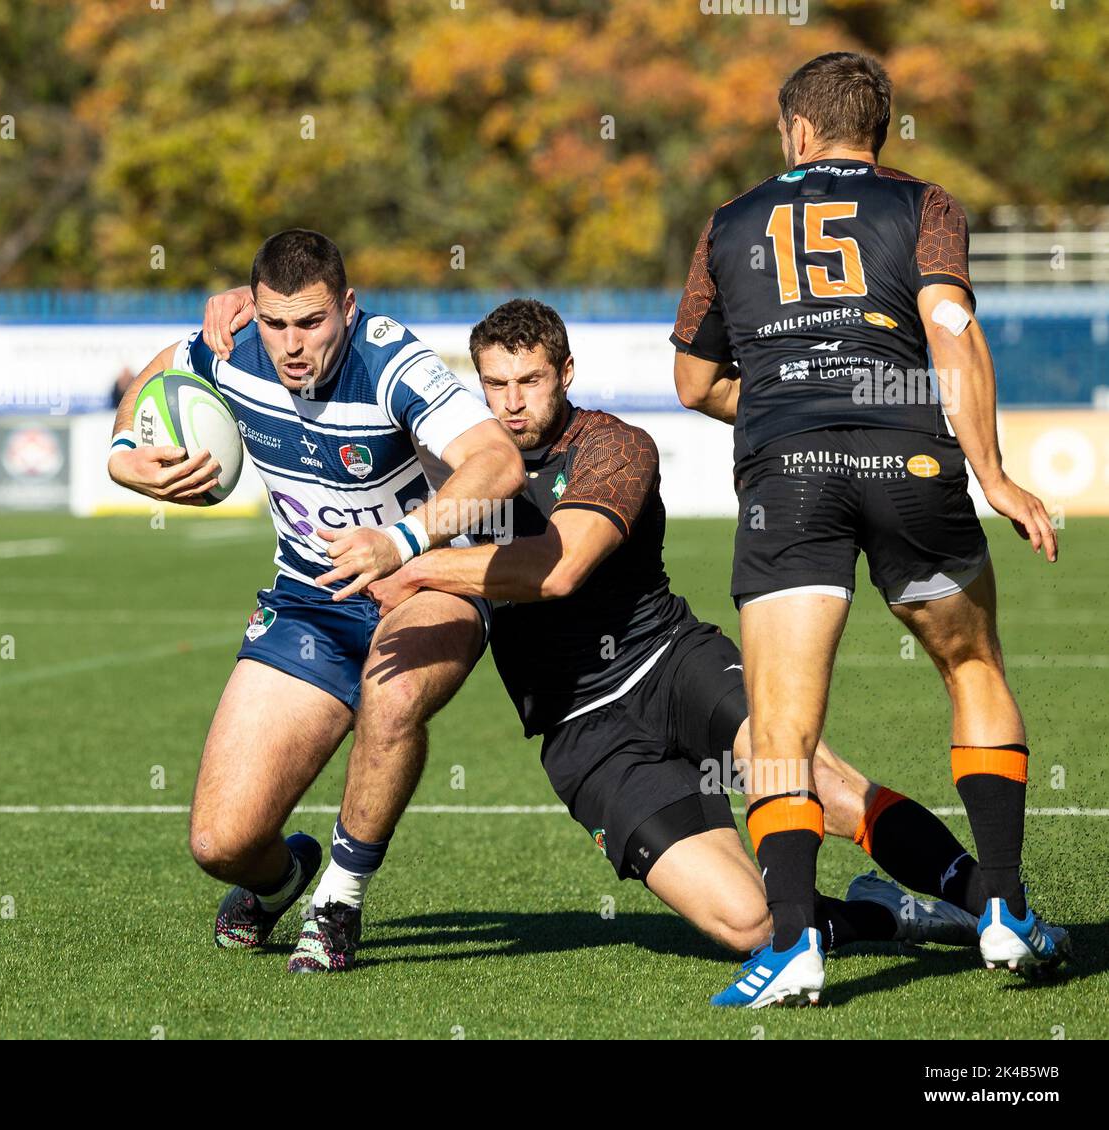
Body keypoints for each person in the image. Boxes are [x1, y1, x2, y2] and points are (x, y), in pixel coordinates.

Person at [364, 298, 982, 993]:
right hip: (582, 733)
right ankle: (880, 914)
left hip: (672, 664)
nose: (513, 403)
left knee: (827, 787)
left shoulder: (616, 448)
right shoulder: (459, 468)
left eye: (530, 380)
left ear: (565, 372)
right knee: (747, 924)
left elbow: (561, 567)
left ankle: (991, 906)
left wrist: (412, 563)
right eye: (496, 385)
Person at [672, 52, 1068, 1006]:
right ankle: (1006, 909)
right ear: (875, 128)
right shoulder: (926, 203)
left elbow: (692, 382)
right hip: (911, 462)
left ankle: (796, 942)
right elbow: (954, 332)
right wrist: (994, 473)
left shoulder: (729, 221)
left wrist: (784, 404)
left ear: (797, 131)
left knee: (781, 723)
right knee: (972, 671)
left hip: (789, 479)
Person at [110, 229, 524, 973]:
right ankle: (285, 880)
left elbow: (496, 464)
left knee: (391, 697)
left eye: (312, 323)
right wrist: (120, 454)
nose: (292, 345)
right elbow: (160, 370)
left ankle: (337, 898)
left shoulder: (392, 359)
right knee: (221, 844)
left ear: (349, 309)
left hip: (425, 585)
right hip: (309, 600)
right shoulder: (232, 344)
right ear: (253, 314)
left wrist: (401, 542)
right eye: (276, 324)